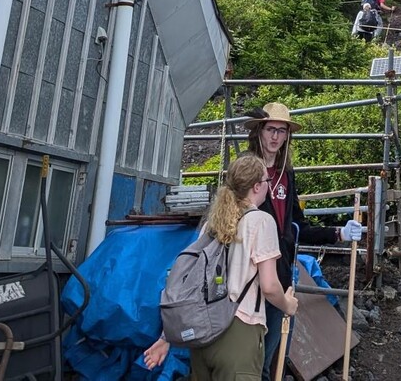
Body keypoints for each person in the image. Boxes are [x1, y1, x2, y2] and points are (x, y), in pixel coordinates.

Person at [143, 154, 298, 378]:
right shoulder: (261, 221)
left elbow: (193, 283)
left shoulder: (212, 225)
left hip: (204, 337)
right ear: (256, 186)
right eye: (267, 182)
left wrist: (166, 337)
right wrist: (288, 305)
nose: (268, 186)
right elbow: (270, 286)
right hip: (239, 333)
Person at [245, 103, 364, 381]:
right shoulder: (246, 168)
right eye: (270, 129)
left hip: (281, 271)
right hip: (248, 276)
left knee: (277, 353)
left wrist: (339, 234)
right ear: (259, 132)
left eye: (282, 131)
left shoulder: (287, 175)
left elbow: (297, 226)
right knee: (250, 357)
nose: (275, 136)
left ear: (287, 136)